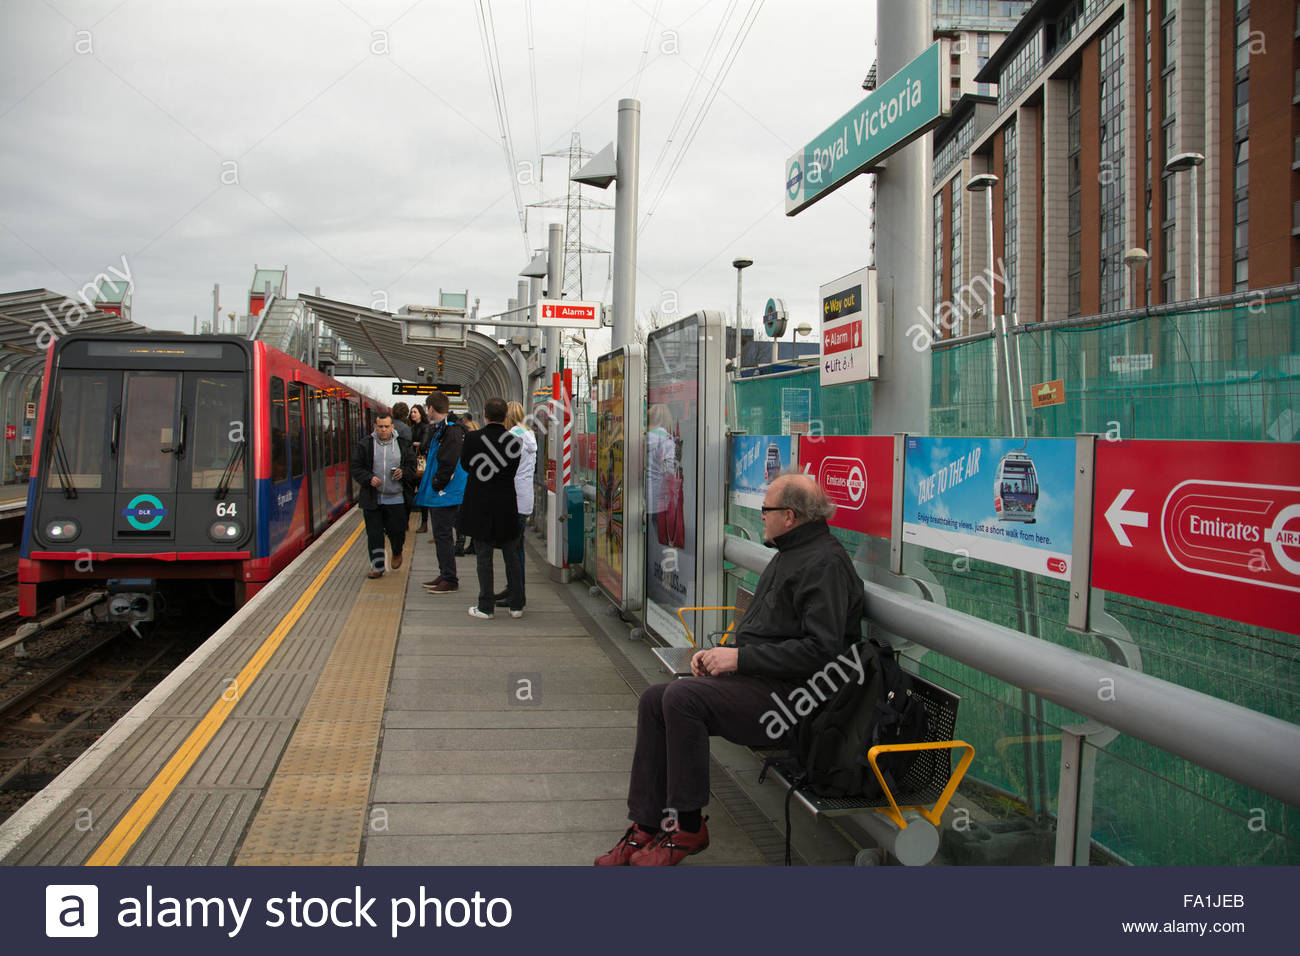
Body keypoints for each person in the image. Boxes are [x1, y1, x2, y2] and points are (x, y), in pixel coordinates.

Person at [595, 473, 866, 866]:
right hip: (764, 685)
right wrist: (722, 654)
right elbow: (768, 631)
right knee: (656, 699)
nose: (761, 517)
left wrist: (738, 659)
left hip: (797, 706)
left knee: (683, 698)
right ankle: (646, 825)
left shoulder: (825, 564)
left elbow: (823, 653)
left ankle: (688, 827)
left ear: (789, 516)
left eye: (765, 510)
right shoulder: (792, 553)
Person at [458, 397, 523, 620]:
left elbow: (465, 464)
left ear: (484, 414)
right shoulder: (514, 442)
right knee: (511, 555)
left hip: (481, 504)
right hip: (507, 504)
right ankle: (517, 605)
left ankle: (486, 606)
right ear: (506, 416)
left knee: (484, 557)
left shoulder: (473, 437)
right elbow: (513, 470)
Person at [349, 413, 417, 579]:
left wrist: (404, 473)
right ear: (375, 427)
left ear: (392, 427)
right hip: (373, 499)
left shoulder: (402, 445)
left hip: (397, 498)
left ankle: (397, 551)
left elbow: (412, 466)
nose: (384, 430)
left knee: (397, 531)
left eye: (387, 426)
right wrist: (368, 478)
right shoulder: (365, 445)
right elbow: (356, 467)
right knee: (374, 534)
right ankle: (377, 566)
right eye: (380, 427)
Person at [416, 392, 467, 594]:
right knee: (441, 535)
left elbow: (448, 462)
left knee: (443, 535)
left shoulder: (451, 431)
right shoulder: (444, 429)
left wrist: (437, 484)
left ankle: (450, 578)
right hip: (443, 492)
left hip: (446, 493)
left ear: (430, 409)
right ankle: (445, 573)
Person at [495, 401, 536, 609]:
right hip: (525, 498)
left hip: (512, 499)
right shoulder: (529, 435)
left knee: (511, 550)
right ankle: (514, 589)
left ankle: (516, 595)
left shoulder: (511, 437)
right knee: (517, 549)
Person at [455, 416, 481, 556]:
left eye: (470, 430)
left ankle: (471, 545)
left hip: (472, 484)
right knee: (460, 516)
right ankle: (460, 544)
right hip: (462, 484)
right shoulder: (461, 445)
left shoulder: (477, 447)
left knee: (471, 515)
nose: (467, 433)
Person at [409, 404, 432, 534]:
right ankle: (408, 522)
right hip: (412, 464)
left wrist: (414, 444)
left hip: (421, 463)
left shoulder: (425, 427)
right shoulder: (412, 428)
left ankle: (424, 522)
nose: (412, 414)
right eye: (411, 412)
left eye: (415, 412)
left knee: (422, 492)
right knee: (410, 492)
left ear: (420, 413)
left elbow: (423, 445)